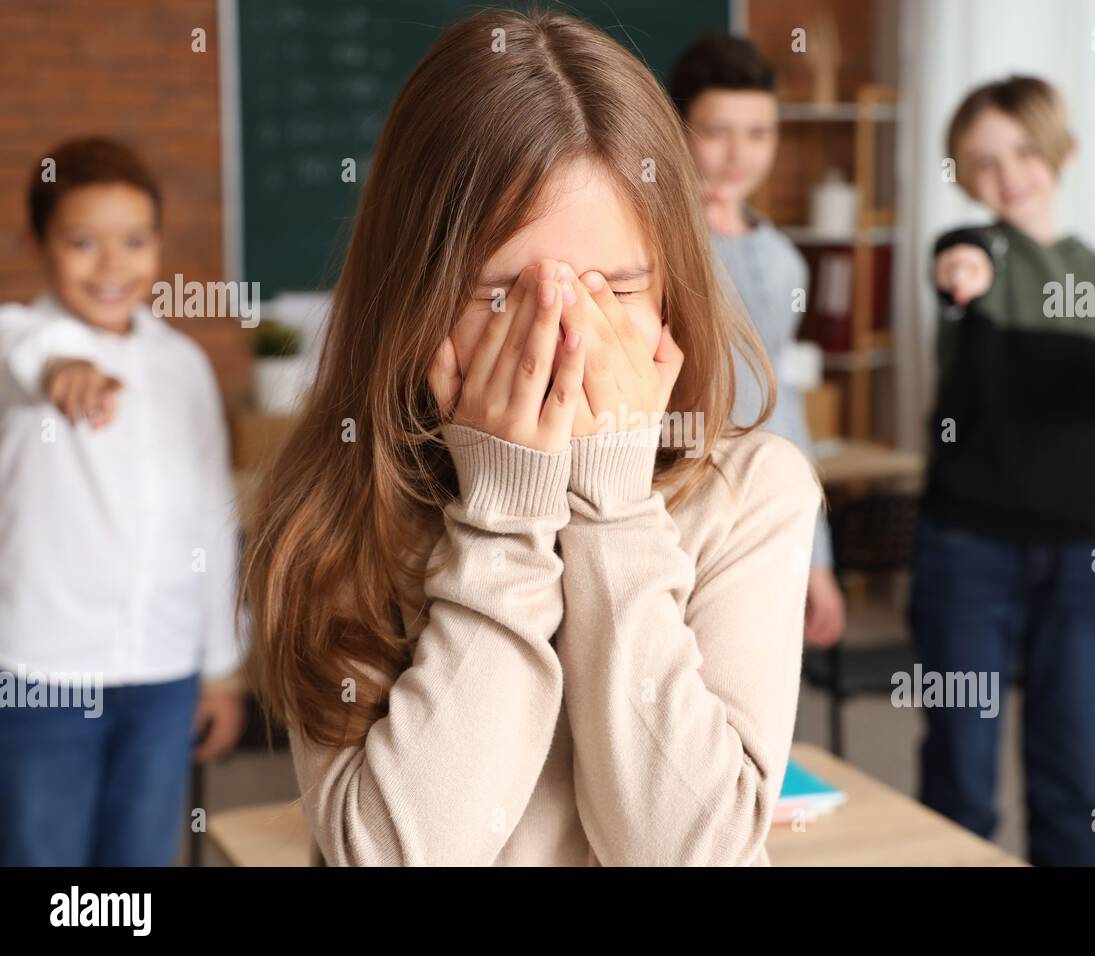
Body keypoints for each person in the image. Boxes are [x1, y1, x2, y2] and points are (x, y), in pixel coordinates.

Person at [241, 10, 823, 866]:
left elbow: (689, 853)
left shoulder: (753, 496)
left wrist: (611, 507)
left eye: (615, 291)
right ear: (417, 297)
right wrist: (506, 514)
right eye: (506, 295)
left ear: (671, 294)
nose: (567, 341)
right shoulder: (343, 501)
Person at [911, 76, 1095, 866]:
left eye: (1022, 151)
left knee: (1073, 768)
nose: (1007, 174)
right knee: (961, 768)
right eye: (982, 163)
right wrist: (963, 271)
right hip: (968, 551)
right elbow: (958, 261)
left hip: (1080, 558)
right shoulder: (977, 256)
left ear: (1062, 153)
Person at [0, 137, 244, 866]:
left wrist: (223, 667)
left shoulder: (182, 365)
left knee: (137, 869)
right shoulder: (19, 337)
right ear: (37, 242)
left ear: (157, 245)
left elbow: (213, 516)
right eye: (83, 242)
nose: (112, 265)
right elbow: (28, 360)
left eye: (134, 241)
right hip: (43, 673)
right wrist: (65, 370)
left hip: (164, 674)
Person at [669, 31, 845, 647]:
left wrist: (817, 555)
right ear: (678, 128)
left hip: (763, 508)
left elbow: (785, 405)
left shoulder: (786, 260)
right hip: (674, 505)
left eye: (759, 133)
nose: (737, 154)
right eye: (717, 131)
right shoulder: (653, 244)